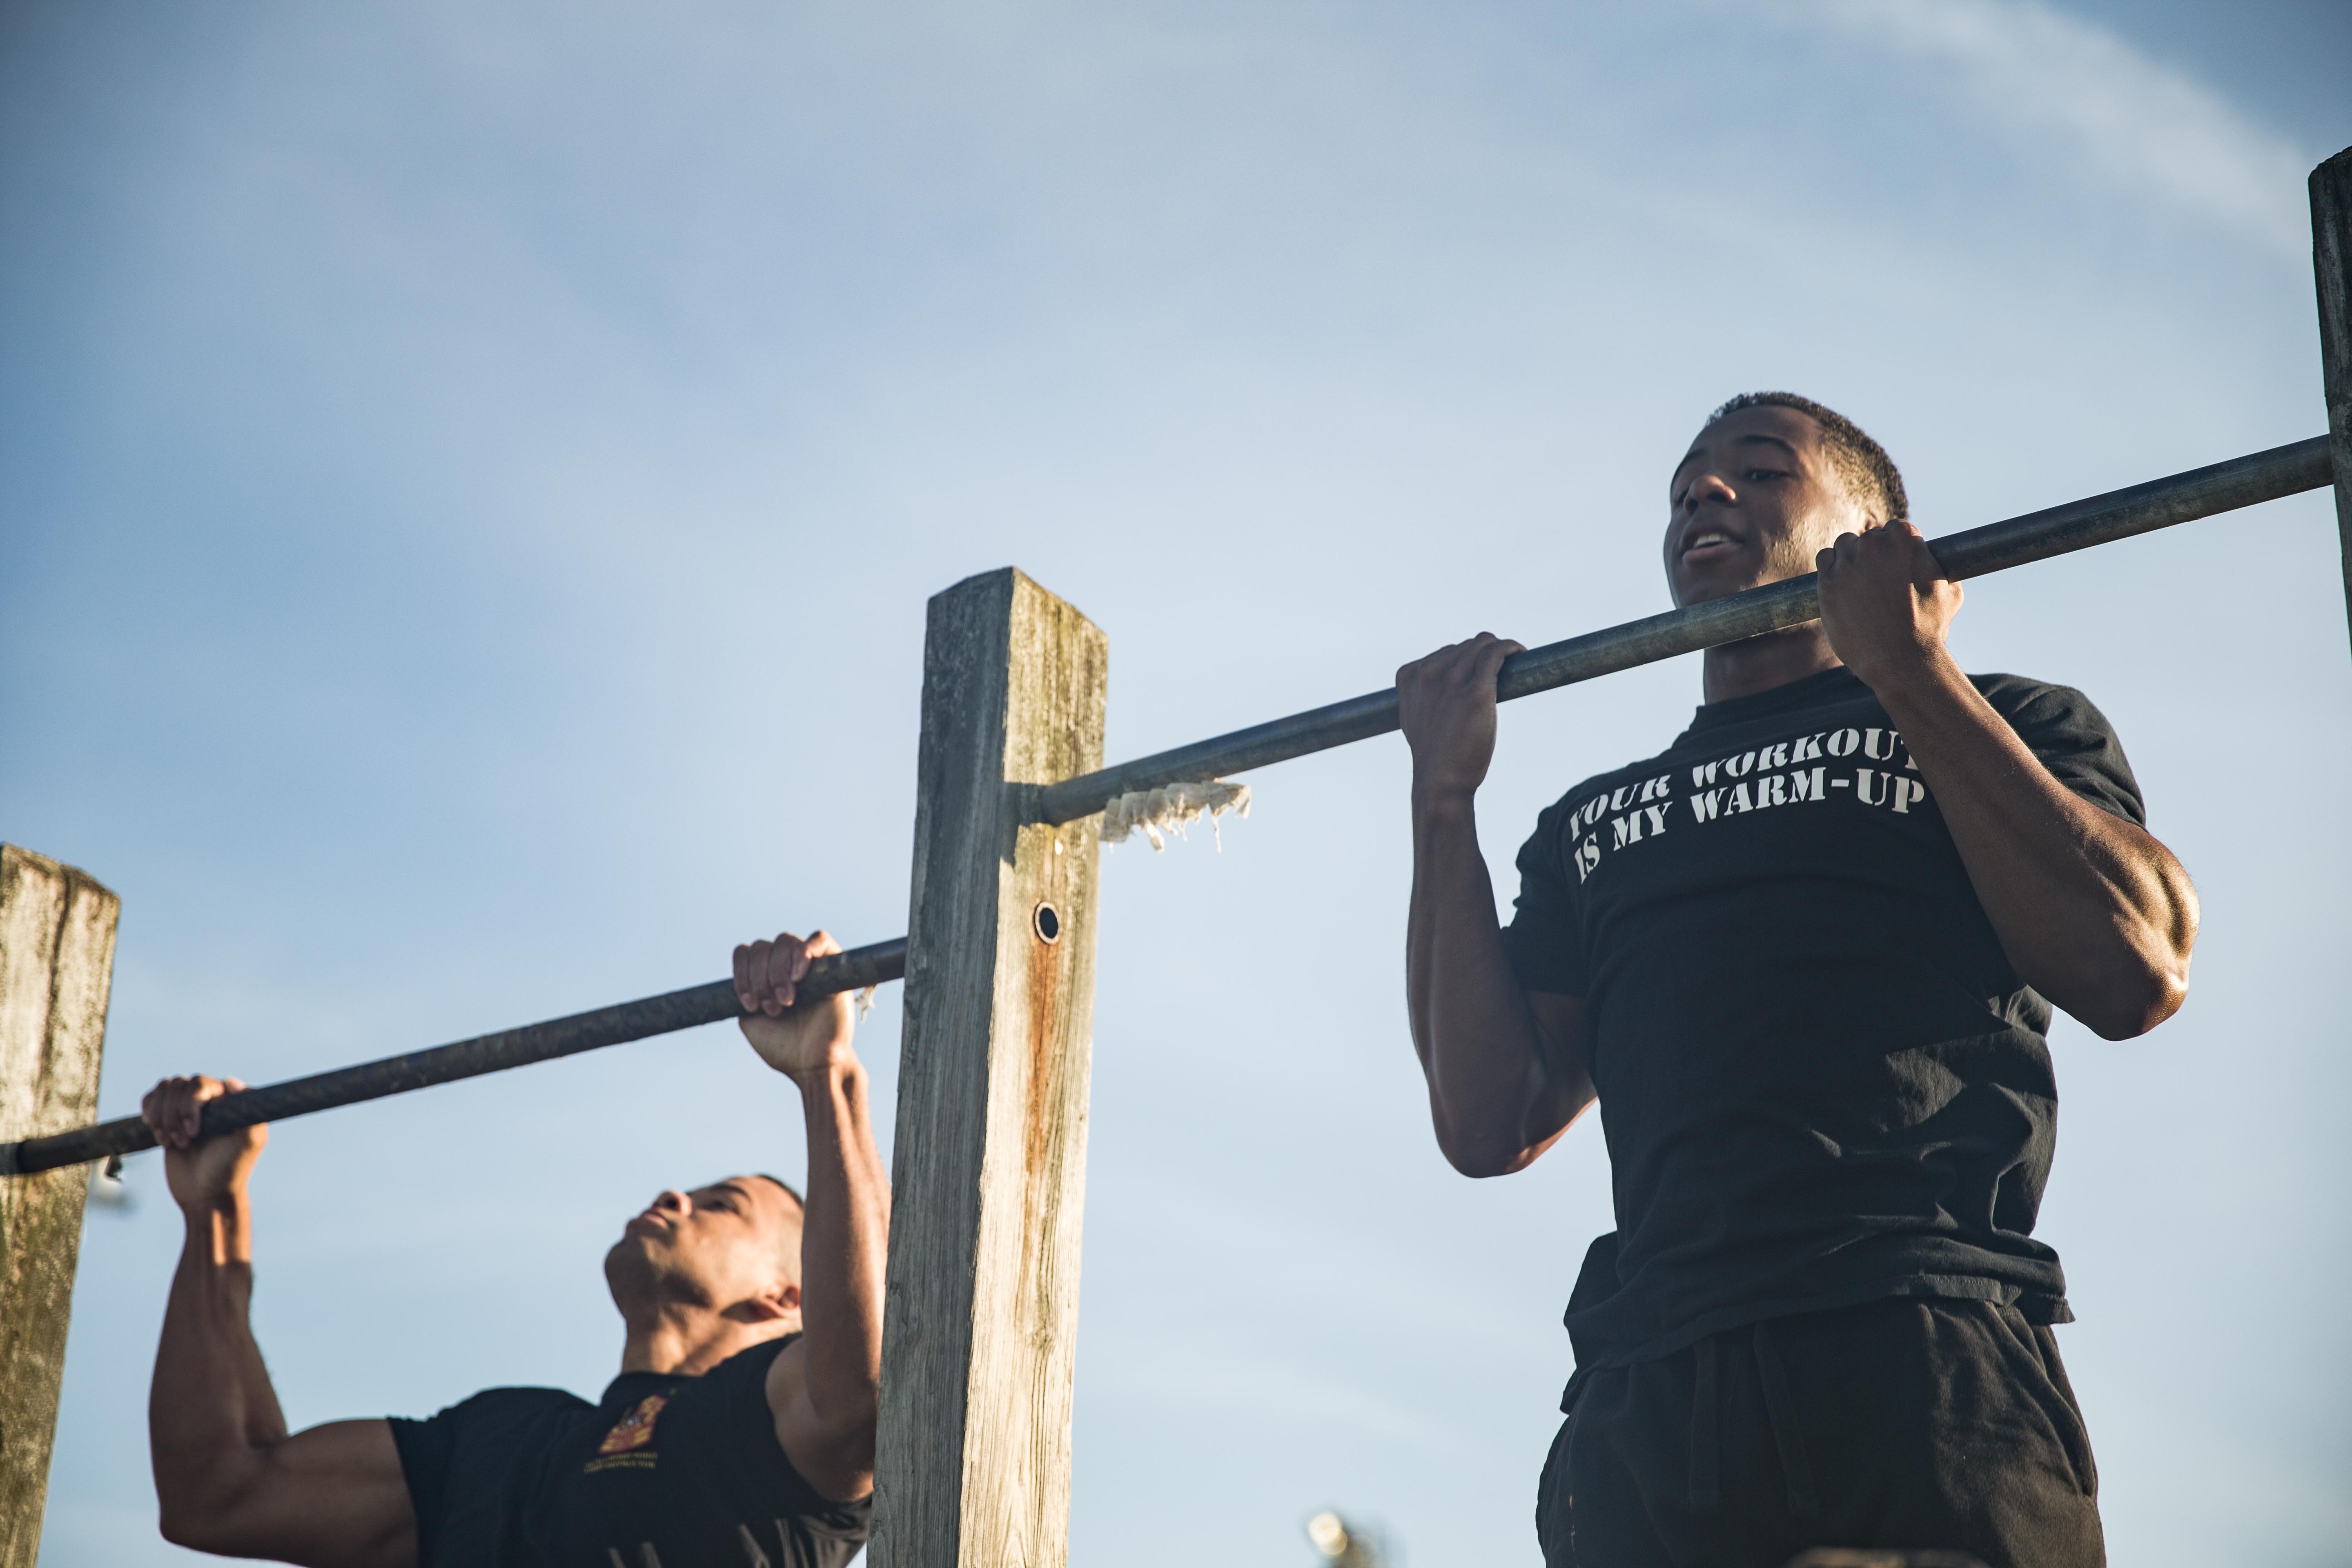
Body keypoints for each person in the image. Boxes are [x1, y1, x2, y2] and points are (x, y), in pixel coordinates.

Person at [1396, 392, 2198, 1568]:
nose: (1706, 495)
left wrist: (1914, 671)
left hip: (1914, 1341)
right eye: (1684, 488)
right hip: (1652, 1385)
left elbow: (2137, 967)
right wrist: (1442, 798)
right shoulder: (1592, 827)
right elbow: (1488, 1121)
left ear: (1872, 533)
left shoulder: (2009, 726)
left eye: (1760, 471)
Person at [142, 929, 889, 1568]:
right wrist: (212, 1208)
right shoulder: (499, 1441)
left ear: (787, 1297)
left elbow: (869, 1388)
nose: (673, 1199)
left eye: (722, 1205)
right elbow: (215, 1493)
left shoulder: (768, 1425)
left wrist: (828, 1074)